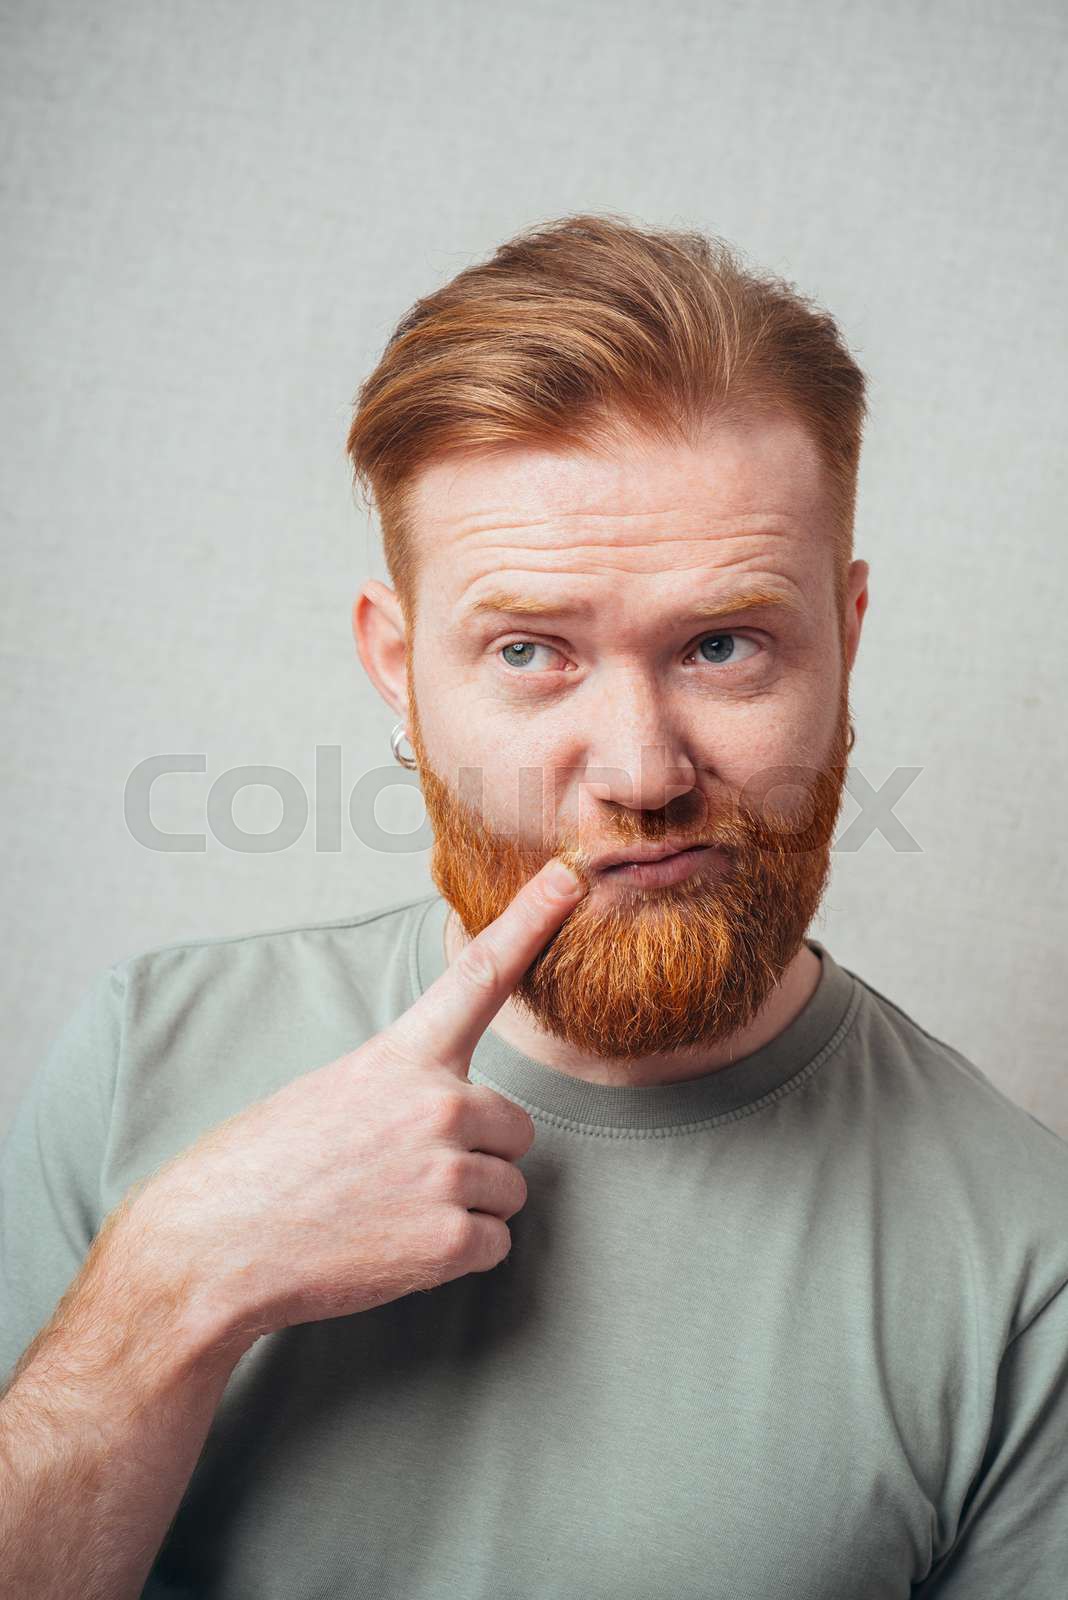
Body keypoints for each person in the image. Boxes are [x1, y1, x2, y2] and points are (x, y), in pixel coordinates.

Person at [1, 213, 1066, 1599]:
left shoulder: (1026, 1260)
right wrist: (168, 1290)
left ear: (846, 640)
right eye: (529, 652)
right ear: (398, 665)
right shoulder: (145, 1057)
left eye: (725, 645)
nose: (640, 772)